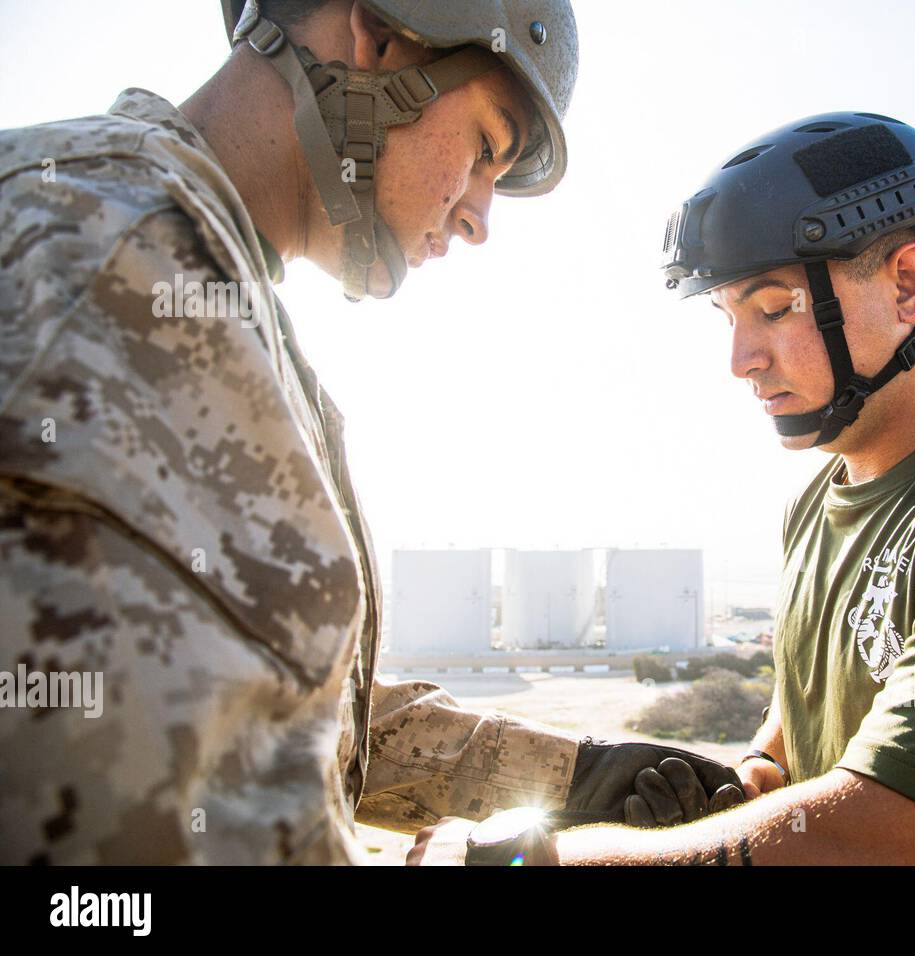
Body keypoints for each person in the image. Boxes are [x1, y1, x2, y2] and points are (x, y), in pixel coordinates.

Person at [0, 0, 740, 865]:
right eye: (484, 150)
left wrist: (579, 778)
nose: (477, 218)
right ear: (381, 38)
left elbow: (273, 714)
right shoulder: (96, 246)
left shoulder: (202, 285)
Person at [407, 112, 915, 865]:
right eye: (727, 316)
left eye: (774, 308)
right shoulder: (817, 502)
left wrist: (529, 859)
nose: (740, 359)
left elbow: (895, 843)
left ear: (907, 286)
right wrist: (744, 787)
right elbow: (794, 743)